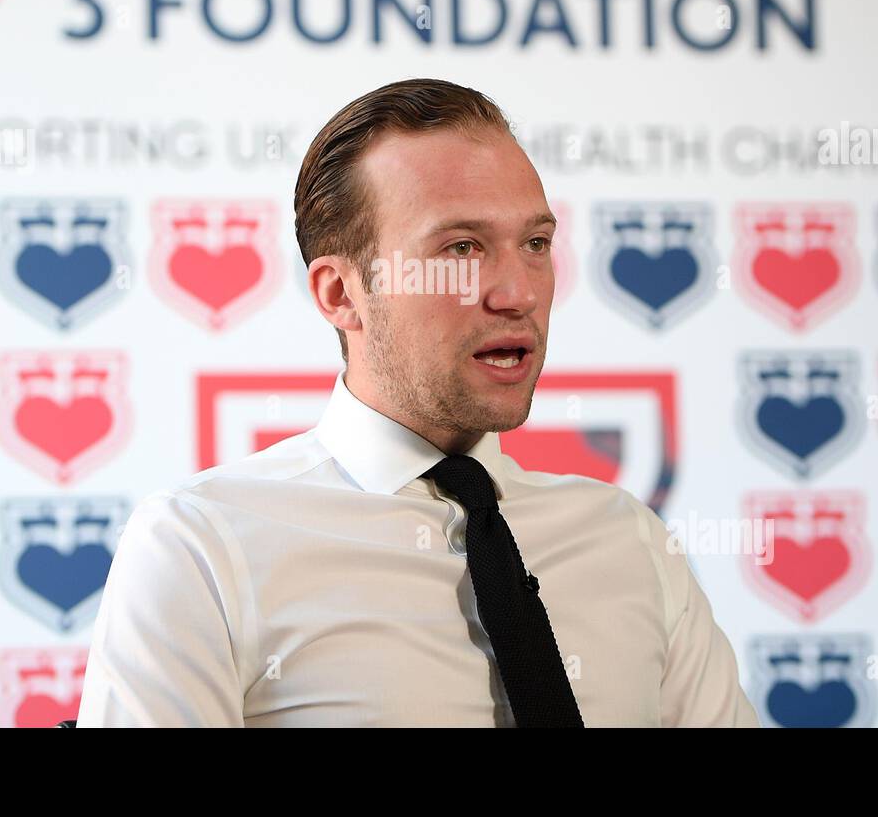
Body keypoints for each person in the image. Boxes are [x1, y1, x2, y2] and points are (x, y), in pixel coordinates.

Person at [76, 78, 759, 727]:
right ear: (341, 295)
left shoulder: (627, 539)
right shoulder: (200, 548)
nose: (517, 292)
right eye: (461, 249)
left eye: (535, 244)